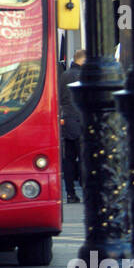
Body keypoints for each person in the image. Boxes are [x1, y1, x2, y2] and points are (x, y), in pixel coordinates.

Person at [60, 50, 86, 203]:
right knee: (84, 158)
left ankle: (70, 193)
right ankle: (86, 191)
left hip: (67, 121)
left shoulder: (64, 75)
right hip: (79, 121)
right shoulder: (83, 76)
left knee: (69, 160)